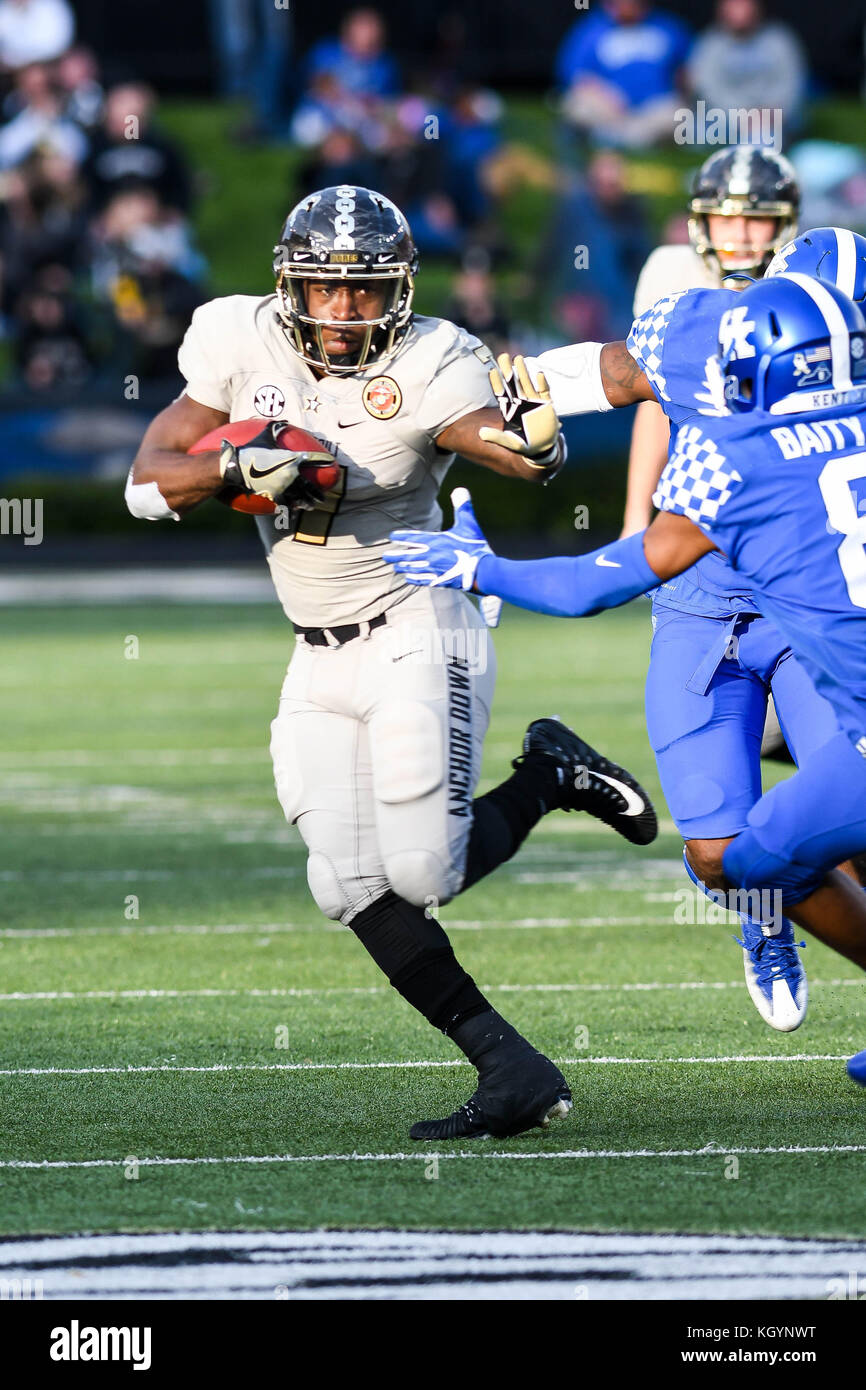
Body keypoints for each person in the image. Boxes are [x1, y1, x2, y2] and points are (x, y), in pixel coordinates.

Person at [124, 184, 658, 1142]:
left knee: (423, 871)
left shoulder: (431, 358)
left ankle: (548, 776)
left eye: (363, 291)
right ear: (289, 285)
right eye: (323, 290)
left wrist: (532, 442)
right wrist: (227, 470)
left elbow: (508, 451)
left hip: (419, 623)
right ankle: (511, 1070)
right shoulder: (237, 340)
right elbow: (147, 476)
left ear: (399, 290)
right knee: (345, 883)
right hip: (314, 650)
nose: (341, 311)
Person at [385, 272, 866, 1089]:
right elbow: (596, 377)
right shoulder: (738, 367)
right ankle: (766, 919)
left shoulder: (738, 463)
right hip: (714, 626)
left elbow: (592, 586)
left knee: (756, 862)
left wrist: (481, 566)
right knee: (736, 852)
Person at [556, 0, 691, 150]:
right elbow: (573, 75)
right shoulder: (591, 29)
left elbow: (687, 69)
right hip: (609, 110)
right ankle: (628, 140)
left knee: (679, 114)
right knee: (578, 105)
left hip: (653, 111)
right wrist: (606, 95)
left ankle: (617, 140)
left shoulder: (668, 28)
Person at [687, 0, 807, 139]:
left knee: (769, 134)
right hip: (727, 119)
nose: (739, 10)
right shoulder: (710, 44)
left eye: (744, 4)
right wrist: (741, 116)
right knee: (692, 129)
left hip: (773, 118)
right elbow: (708, 90)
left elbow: (792, 85)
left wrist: (770, 113)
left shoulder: (779, 40)